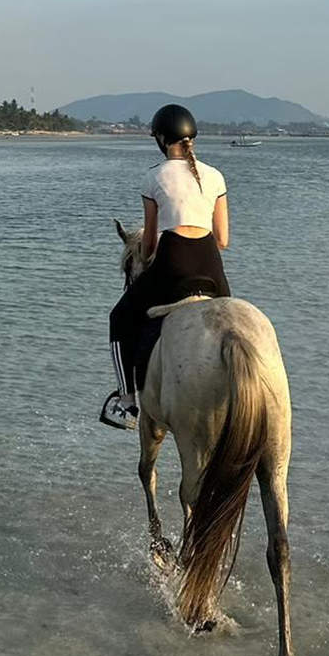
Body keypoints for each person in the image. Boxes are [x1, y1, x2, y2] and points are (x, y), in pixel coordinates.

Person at [101, 104, 231, 430]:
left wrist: (152, 259)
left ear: (161, 139)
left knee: (118, 317)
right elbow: (223, 239)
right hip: (212, 265)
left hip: (173, 260)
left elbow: (148, 244)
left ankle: (127, 403)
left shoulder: (154, 176)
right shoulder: (215, 175)